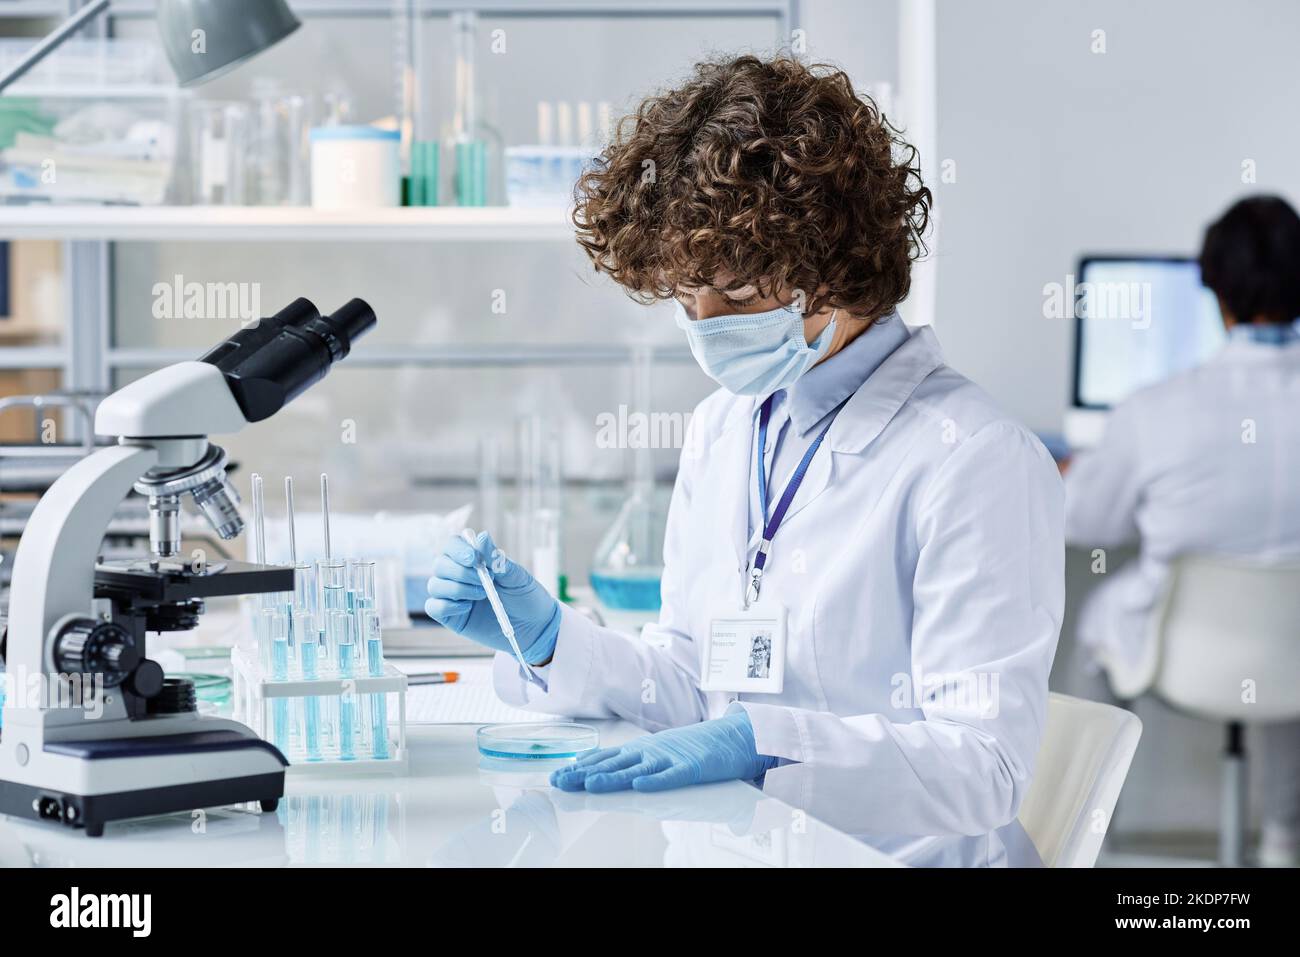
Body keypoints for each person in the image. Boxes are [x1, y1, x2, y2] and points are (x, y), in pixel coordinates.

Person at [427, 55, 1063, 866]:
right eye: (687, 300)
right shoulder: (725, 428)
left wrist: (764, 741)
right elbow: (693, 684)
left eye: (732, 293)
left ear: (832, 260)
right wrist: (550, 641)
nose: (705, 326)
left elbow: (985, 767)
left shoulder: (974, 460)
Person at [1063, 195, 1300, 866]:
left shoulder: (1154, 410)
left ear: (1214, 289)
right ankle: (1285, 839)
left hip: (1179, 659)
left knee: (1096, 615)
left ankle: (1089, 840)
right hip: (1293, 667)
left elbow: (1085, 522)